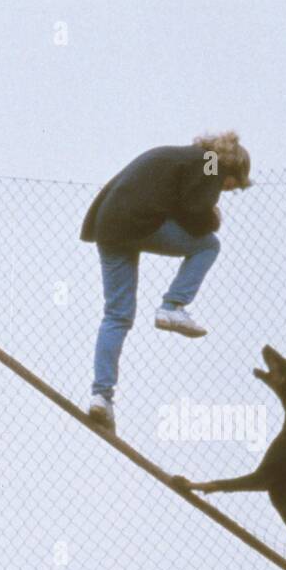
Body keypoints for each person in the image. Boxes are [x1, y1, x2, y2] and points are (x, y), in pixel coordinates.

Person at [80, 131, 252, 431]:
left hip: (110, 225)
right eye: (231, 186)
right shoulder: (211, 161)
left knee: (117, 315)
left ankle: (101, 397)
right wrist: (212, 219)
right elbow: (196, 210)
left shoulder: (181, 159)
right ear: (232, 168)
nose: (225, 191)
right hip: (137, 221)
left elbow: (181, 202)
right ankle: (172, 305)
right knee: (209, 245)